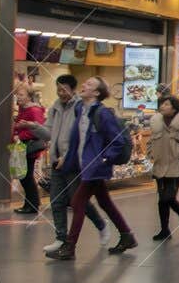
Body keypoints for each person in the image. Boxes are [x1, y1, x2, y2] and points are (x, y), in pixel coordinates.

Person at [45, 77, 138, 260]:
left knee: (77, 202)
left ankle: (69, 247)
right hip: (84, 165)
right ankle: (127, 236)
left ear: (96, 93)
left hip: (95, 167)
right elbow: (76, 139)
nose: (84, 85)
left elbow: (117, 141)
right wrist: (68, 158)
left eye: (89, 84)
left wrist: (104, 159)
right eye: (85, 83)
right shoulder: (81, 109)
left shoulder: (103, 114)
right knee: (105, 202)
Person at [43, 73, 109, 254]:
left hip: (73, 162)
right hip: (56, 161)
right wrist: (32, 127)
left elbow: (81, 135)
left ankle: (101, 225)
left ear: (73, 90)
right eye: (58, 89)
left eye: (64, 90)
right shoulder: (55, 108)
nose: (61, 93)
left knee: (77, 202)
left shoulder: (80, 107)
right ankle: (61, 238)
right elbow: (48, 132)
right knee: (56, 201)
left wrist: (69, 155)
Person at [148, 95, 179, 241]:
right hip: (160, 166)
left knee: (167, 197)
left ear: (174, 108)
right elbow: (151, 141)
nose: (162, 106)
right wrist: (151, 153)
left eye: (166, 104)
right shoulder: (157, 123)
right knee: (162, 200)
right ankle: (165, 230)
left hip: (176, 167)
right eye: (162, 104)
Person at [12, 87, 49, 216]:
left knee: (26, 177)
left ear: (29, 96)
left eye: (21, 95)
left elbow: (38, 129)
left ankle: (32, 204)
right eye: (17, 95)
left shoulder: (34, 110)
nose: (19, 97)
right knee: (24, 176)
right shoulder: (23, 109)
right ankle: (29, 203)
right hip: (22, 147)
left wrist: (20, 136)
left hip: (29, 148)